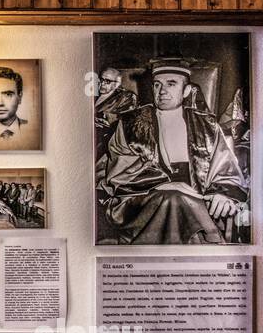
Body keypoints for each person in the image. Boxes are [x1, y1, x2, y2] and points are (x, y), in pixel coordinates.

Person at [100, 58, 248, 244]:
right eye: (157, 85)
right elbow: (119, 171)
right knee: (174, 199)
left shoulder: (208, 126)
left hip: (198, 199)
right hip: (142, 202)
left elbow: (226, 170)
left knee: (177, 201)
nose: (162, 91)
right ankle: (210, 242)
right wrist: (166, 184)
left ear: (186, 90)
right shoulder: (130, 123)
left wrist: (222, 193)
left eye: (171, 84)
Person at [94, 66, 138, 156]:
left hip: (108, 141)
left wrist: (105, 117)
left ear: (117, 84)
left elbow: (126, 120)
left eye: (107, 81)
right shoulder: (93, 94)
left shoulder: (126, 97)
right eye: (101, 79)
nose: (102, 84)